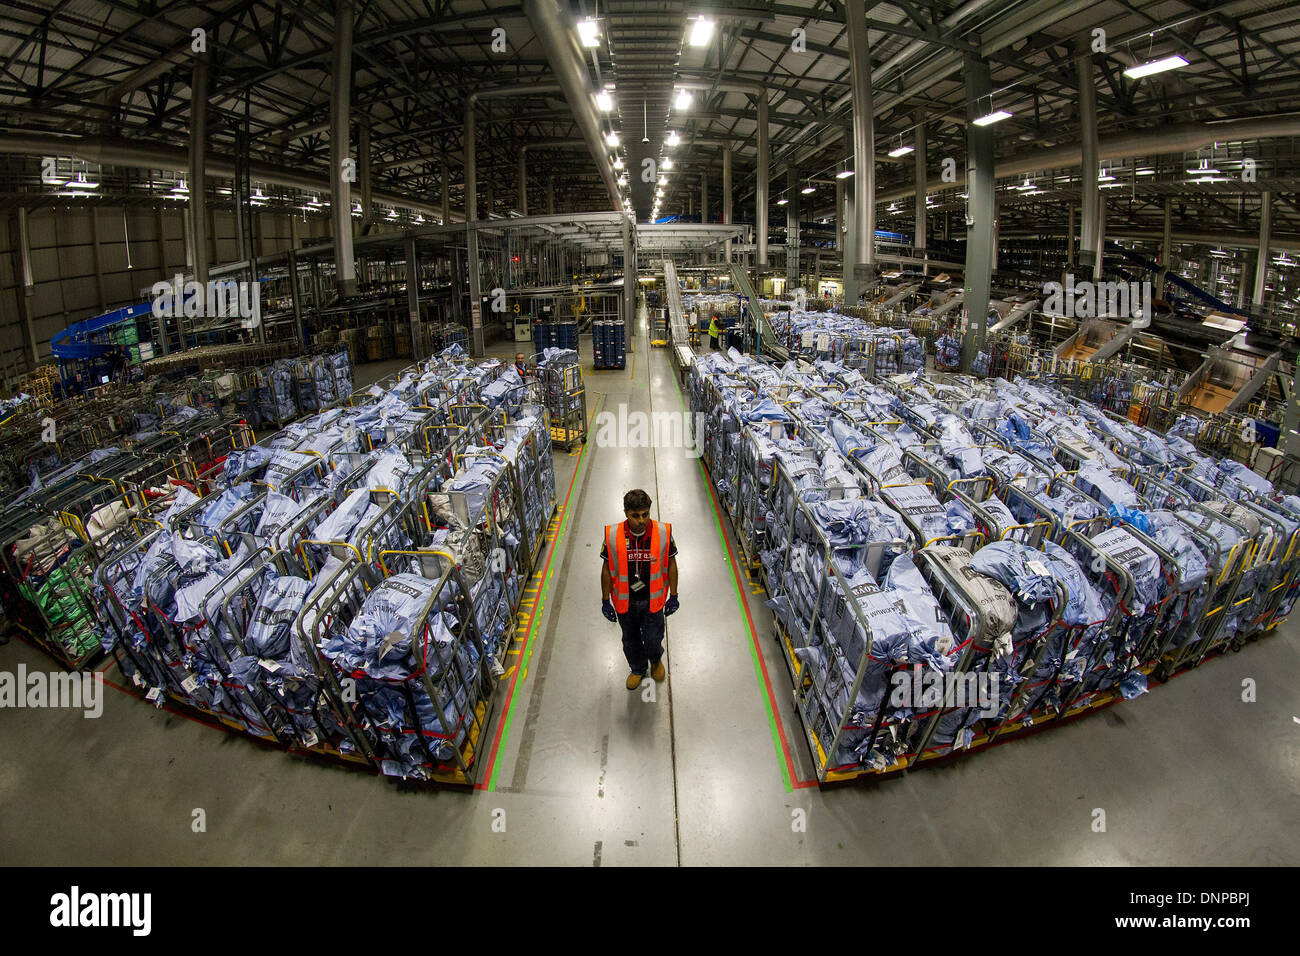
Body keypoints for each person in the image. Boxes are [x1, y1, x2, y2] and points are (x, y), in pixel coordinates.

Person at [600, 489, 679, 689]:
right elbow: (607, 569)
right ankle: (637, 668)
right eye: (636, 516)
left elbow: (671, 564)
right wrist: (605, 600)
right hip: (625, 601)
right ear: (626, 513)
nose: (641, 520)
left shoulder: (663, 532)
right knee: (630, 639)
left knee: (653, 638)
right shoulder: (612, 535)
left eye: (645, 514)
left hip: (653, 599)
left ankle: (655, 661)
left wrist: (674, 595)